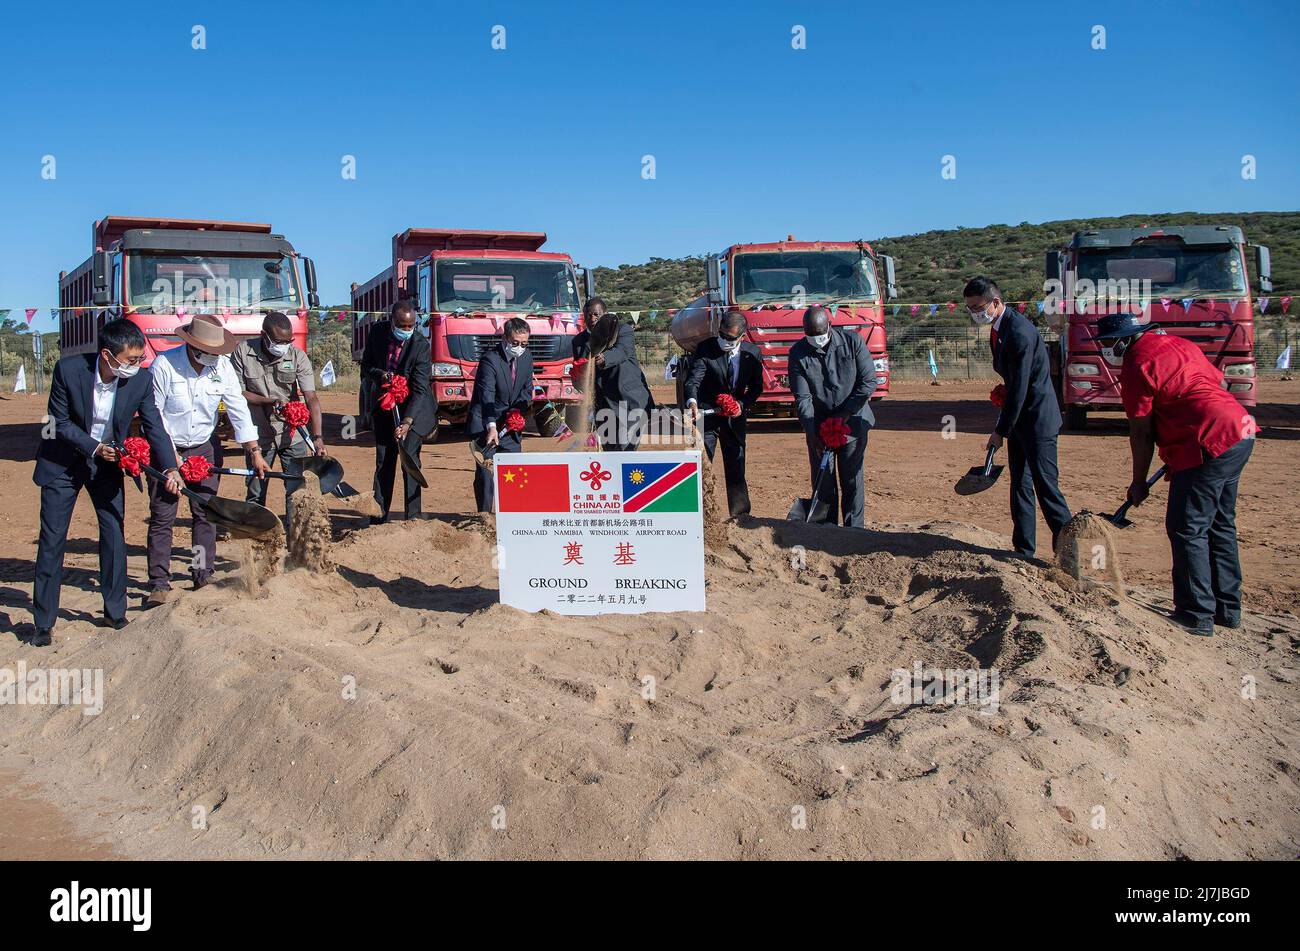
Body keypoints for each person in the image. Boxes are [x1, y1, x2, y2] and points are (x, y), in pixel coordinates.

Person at [1096, 312, 1256, 635]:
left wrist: (1139, 482)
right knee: (1220, 523)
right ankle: (1228, 609)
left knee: (1187, 527)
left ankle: (1195, 614)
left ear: (1126, 339)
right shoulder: (1179, 344)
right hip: (1240, 429)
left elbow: (1141, 432)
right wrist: (1178, 444)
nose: (1107, 350)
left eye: (1110, 343)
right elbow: (1212, 385)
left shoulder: (1136, 362)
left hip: (1209, 439)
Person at [31, 320, 183, 646]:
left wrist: (170, 467)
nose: (137, 365)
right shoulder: (68, 370)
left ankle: (115, 612)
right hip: (63, 463)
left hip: (108, 465)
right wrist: (95, 447)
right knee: (53, 539)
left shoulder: (141, 380)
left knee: (114, 533)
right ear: (107, 355)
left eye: (140, 359)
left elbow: (153, 425)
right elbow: (56, 422)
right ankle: (43, 622)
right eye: (130, 360)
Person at [147, 314, 269, 606]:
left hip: (204, 447)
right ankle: (159, 583)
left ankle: (202, 573)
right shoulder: (164, 366)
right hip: (167, 447)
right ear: (192, 345)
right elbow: (155, 415)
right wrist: (170, 459)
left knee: (204, 513)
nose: (216, 357)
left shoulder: (222, 367)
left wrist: (254, 451)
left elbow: (238, 408)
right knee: (163, 517)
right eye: (211, 352)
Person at [964, 276, 1072, 559]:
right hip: (1021, 419)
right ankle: (1024, 550)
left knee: (1046, 488)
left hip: (1038, 420)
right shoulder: (998, 329)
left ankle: (1070, 557)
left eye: (978, 307)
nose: (975, 313)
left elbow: (1021, 387)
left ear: (996, 303)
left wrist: (1001, 430)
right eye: (970, 309)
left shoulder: (1020, 332)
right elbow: (1012, 383)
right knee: (1020, 485)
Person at [230, 311, 325, 520]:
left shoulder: (297, 356)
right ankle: (256, 536)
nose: (283, 346)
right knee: (256, 489)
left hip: (293, 435)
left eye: (287, 341)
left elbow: (311, 398)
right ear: (264, 334)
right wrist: (269, 402)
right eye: (278, 341)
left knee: (297, 490)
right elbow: (237, 393)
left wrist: (317, 438)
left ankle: (297, 540)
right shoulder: (243, 352)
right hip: (258, 433)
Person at [788, 305, 876, 527]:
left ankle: (854, 532)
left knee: (852, 480)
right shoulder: (797, 353)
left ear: (829, 326)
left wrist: (844, 415)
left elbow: (868, 383)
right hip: (819, 428)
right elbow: (803, 398)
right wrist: (812, 433)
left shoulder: (853, 342)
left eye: (820, 333)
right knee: (823, 482)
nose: (816, 338)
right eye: (810, 335)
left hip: (852, 424)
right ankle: (827, 531)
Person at [359, 300, 436, 522]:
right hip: (385, 405)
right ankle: (378, 515)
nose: (406, 331)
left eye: (410, 326)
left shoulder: (421, 345)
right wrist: (382, 376)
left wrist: (407, 422)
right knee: (385, 460)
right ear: (391, 321)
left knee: (409, 459)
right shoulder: (377, 333)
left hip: (414, 408)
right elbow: (366, 368)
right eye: (401, 326)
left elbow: (421, 389)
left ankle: (413, 517)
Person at [684, 310, 765, 516]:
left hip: (734, 419)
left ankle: (740, 517)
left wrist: (740, 404)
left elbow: (756, 388)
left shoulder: (752, 353)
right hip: (707, 417)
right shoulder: (706, 348)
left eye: (730, 338)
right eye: (721, 335)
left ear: (742, 337)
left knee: (736, 466)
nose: (724, 340)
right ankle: (700, 515)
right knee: (702, 465)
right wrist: (692, 401)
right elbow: (694, 379)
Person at [467, 318, 534, 512]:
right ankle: (484, 515)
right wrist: (492, 427)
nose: (519, 348)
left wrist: (517, 412)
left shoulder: (527, 357)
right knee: (486, 473)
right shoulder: (490, 359)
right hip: (486, 422)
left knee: (513, 470)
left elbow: (527, 389)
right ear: (505, 338)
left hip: (512, 424)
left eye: (523, 344)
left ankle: (510, 517)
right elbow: (486, 394)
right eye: (515, 343)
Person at [572, 297, 652, 451]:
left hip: (629, 402)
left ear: (605, 314)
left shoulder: (623, 330)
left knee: (624, 450)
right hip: (603, 407)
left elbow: (622, 351)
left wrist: (604, 358)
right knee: (609, 452)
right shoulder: (578, 341)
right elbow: (580, 372)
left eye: (596, 315)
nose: (592, 318)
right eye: (588, 315)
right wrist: (577, 377)